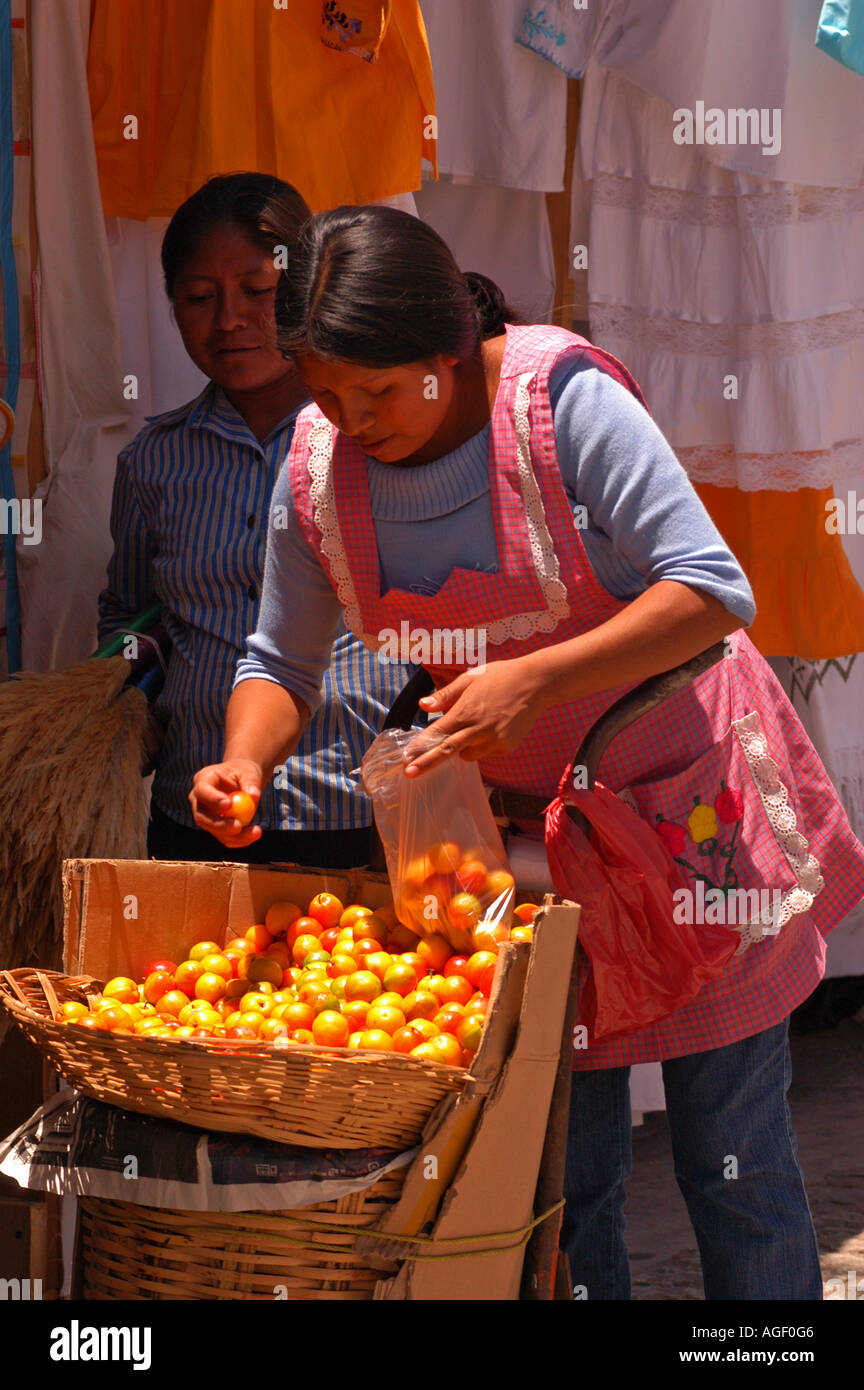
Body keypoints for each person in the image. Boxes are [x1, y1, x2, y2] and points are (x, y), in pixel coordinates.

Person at [188, 205, 864, 1298]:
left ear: (450, 345)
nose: (354, 422)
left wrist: (535, 677)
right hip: (525, 856)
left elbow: (712, 588)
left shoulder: (561, 404)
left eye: (380, 391)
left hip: (692, 821)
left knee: (728, 1158)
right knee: (562, 1174)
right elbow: (280, 656)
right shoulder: (317, 470)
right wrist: (245, 762)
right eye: (327, 396)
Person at [98, 178, 412, 870]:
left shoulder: (382, 438)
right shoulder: (153, 463)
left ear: (307, 293)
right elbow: (129, 616)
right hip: (199, 815)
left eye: (259, 291)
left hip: (368, 814)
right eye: (200, 298)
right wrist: (125, 709)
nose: (229, 320)